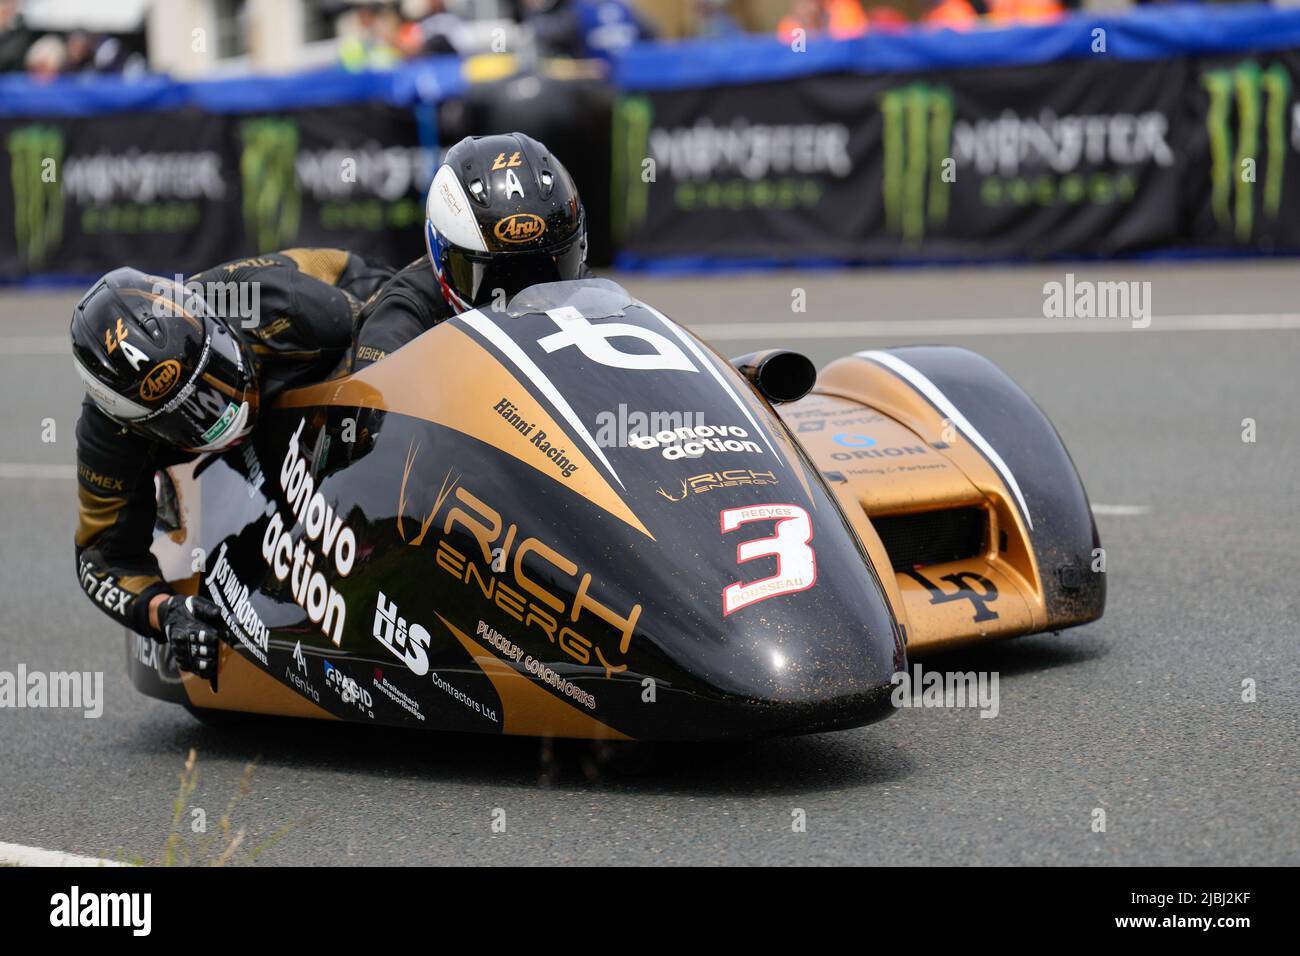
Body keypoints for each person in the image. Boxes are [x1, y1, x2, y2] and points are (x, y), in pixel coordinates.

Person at [70, 249, 392, 681]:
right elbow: (101, 559)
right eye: (181, 414)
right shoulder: (107, 437)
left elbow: (396, 333)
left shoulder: (278, 304)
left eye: (214, 367)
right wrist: (165, 613)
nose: (220, 406)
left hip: (358, 296)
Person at [351, 132, 589, 370]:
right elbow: (378, 402)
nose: (525, 300)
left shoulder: (583, 289)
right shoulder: (401, 318)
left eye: (544, 271)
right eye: (500, 279)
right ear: (443, 254)